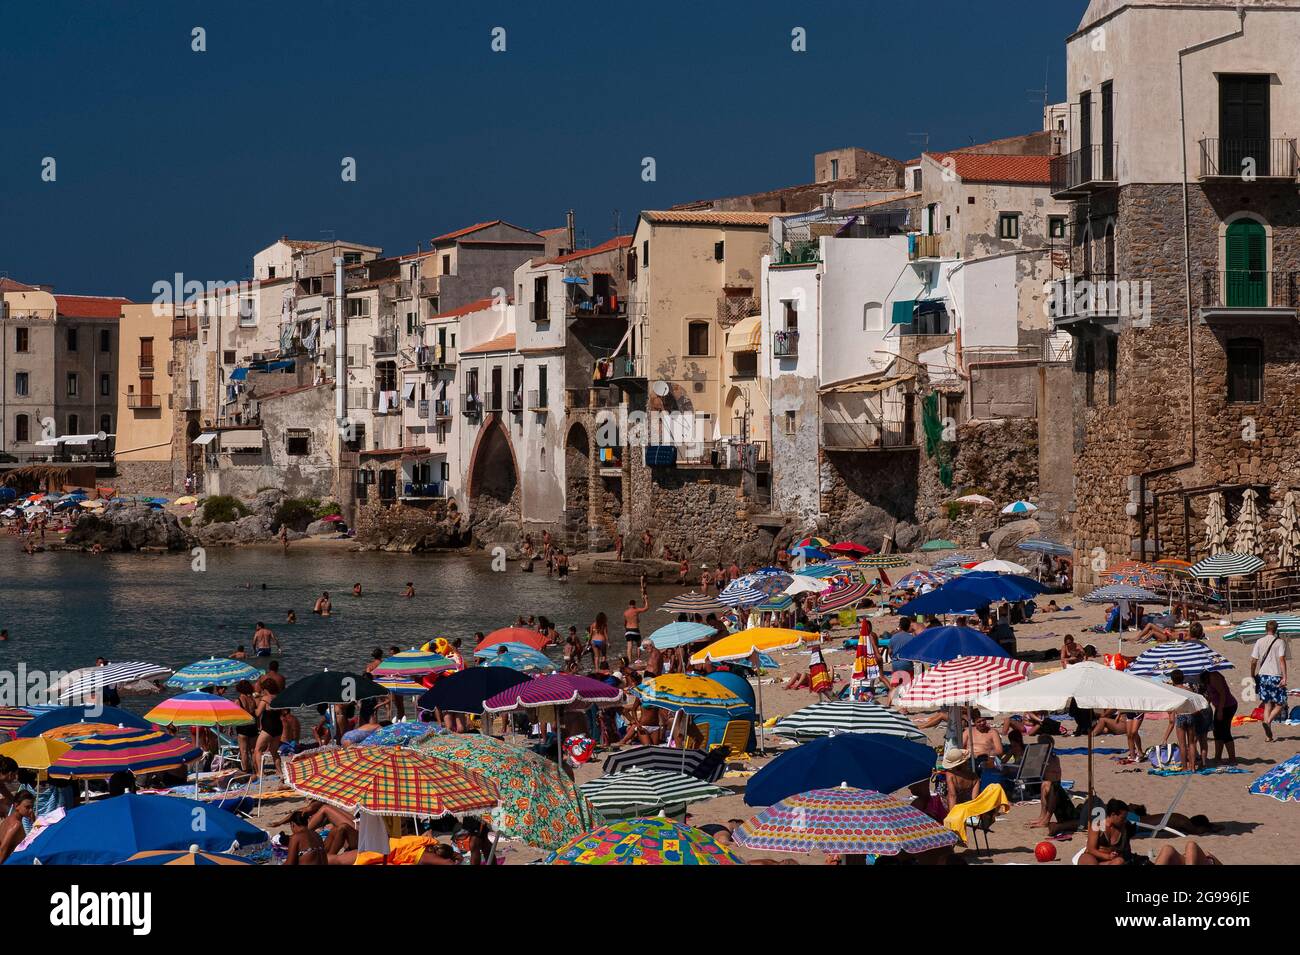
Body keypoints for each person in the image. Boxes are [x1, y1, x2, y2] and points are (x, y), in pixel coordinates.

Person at [1250, 620, 1289, 741]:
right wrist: (1285, 676)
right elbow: (1281, 659)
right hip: (1275, 675)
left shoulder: (1259, 641)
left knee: (1267, 704)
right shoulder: (1280, 642)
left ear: (1265, 629)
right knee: (1280, 703)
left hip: (1263, 676)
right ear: (1276, 629)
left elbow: (1253, 660)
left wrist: (1252, 674)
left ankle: (1268, 737)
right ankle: (1267, 721)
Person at [1160, 669, 1206, 772]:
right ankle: (1193, 767)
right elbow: (1195, 705)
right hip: (1190, 715)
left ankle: (1185, 767)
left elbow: (1171, 708)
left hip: (1180, 716)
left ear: (1172, 679)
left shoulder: (1172, 691)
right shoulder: (1188, 689)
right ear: (1183, 678)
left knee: (1182, 744)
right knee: (1192, 743)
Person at [1199, 668, 1238, 765]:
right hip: (1220, 707)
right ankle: (1218, 757)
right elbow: (1213, 694)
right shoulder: (1207, 677)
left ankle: (1232, 759)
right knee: (1217, 732)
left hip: (1227, 706)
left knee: (1225, 732)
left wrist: (1220, 710)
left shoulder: (1213, 676)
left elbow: (1222, 694)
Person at [941, 748, 981, 814]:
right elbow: (974, 798)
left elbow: (952, 796)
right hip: (967, 806)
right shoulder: (974, 776)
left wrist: (952, 815)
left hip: (954, 805)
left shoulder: (950, 775)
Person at [0, 790, 35, 863]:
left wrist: (33, 821)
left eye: (32, 807)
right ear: (16, 806)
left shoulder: (8, 818)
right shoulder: (16, 825)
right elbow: (2, 850)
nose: (31, 810)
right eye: (27, 807)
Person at [234, 680, 258, 772]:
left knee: (243, 751)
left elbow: (234, 717)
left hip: (243, 727)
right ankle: (256, 769)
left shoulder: (238, 701)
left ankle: (245, 771)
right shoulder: (252, 700)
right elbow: (255, 715)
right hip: (252, 726)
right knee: (252, 750)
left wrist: (230, 727)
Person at [623, 584, 649, 659]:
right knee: (638, 645)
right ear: (634, 604)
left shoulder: (625, 612)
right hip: (635, 630)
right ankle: (638, 659)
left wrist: (626, 630)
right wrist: (646, 599)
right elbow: (646, 608)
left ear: (629, 605)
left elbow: (624, 623)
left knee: (629, 646)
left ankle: (630, 660)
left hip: (628, 630)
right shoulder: (636, 610)